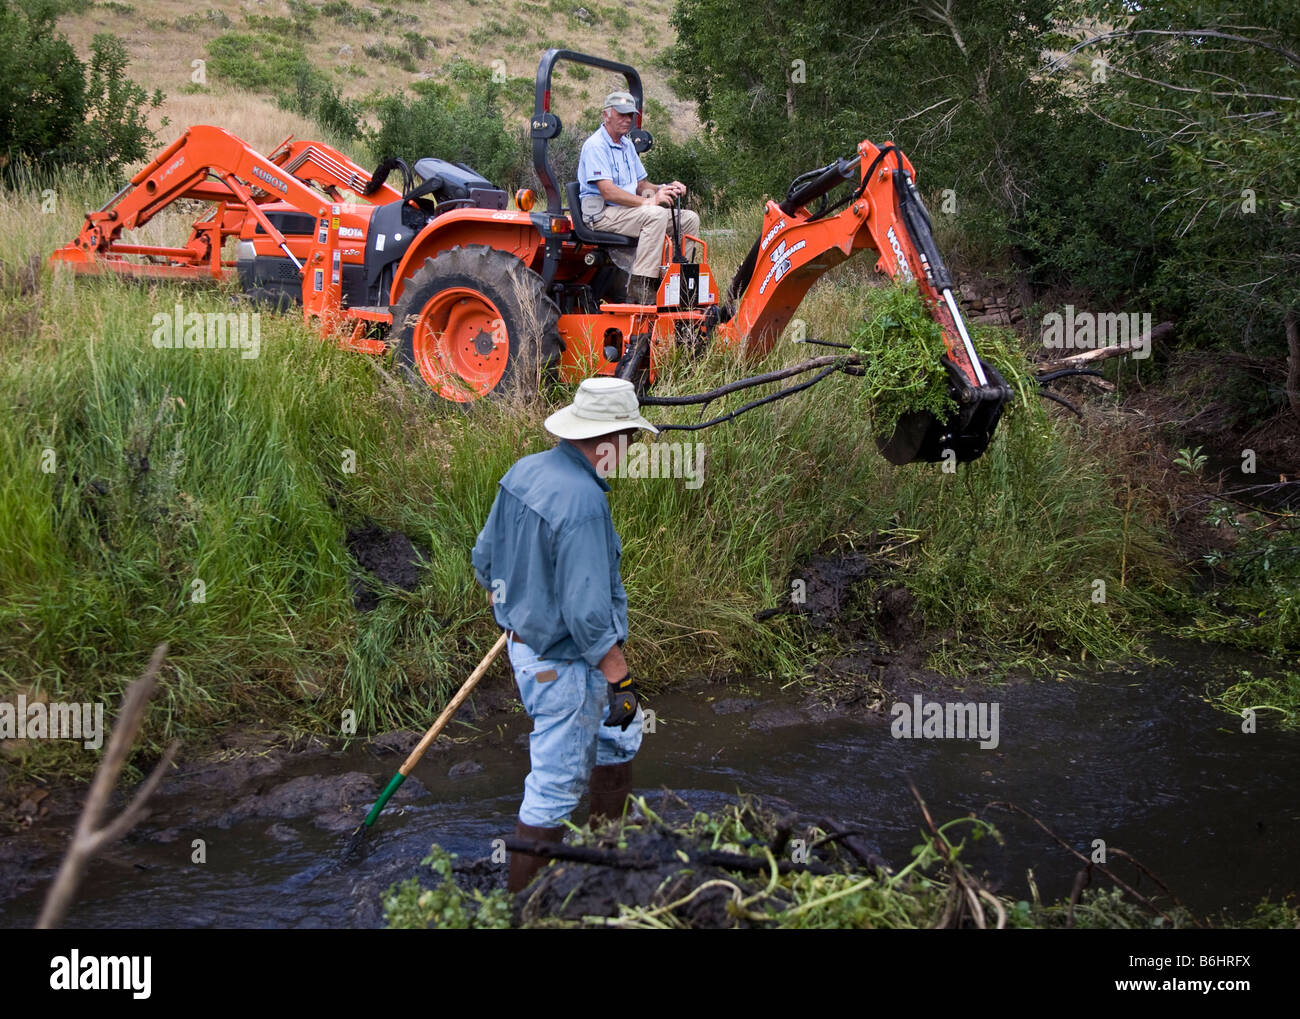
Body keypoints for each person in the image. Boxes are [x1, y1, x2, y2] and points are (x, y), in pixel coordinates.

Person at [471, 376, 655, 893]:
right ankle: (516, 903)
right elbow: (587, 614)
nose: (630, 450)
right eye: (629, 439)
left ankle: (604, 862)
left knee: (618, 742)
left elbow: (485, 560)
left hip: (528, 650)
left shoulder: (524, 471)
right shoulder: (584, 504)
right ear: (606, 440)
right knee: (555, 783)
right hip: (567, 666)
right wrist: (620, 681)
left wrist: (514, 602)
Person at [576, 90, 701, 305]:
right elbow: (608, 191)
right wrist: (649, 201)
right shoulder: (595, 145)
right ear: (606, 115)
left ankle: (680, 281)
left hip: (626, 211)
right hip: (601, 213)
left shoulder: (626, 146)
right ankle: (641, 286)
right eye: (621, 114)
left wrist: (665, 189)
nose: (627, 120)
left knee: (689, 219)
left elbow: (641, 185)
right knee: (655, 215)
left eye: (630, 116)